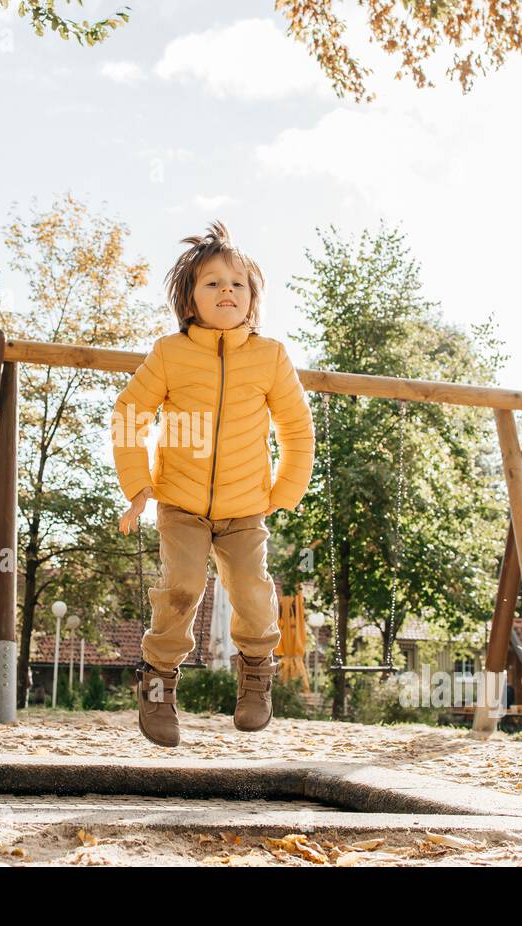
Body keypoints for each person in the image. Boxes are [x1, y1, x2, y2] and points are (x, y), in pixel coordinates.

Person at [111, 220, 315, 747]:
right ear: (188, 301)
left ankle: (255, 673)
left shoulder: (269, 357)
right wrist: (138, 486)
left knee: (251, 592)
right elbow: (130, 412)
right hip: (180, 502)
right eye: (212, 282)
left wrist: (286, 488)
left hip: (246, 506)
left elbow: (296, 425)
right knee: (181, 588)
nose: (227, 290)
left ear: (252, 299)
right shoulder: (169, 354)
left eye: (238, 283)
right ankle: (158, 686)